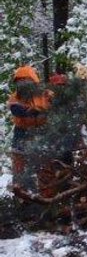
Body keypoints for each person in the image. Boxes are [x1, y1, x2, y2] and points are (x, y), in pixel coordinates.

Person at [7, 65, 52, 193]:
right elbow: (16, 108)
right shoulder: (15, 97)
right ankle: (21, 196)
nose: (23, 85)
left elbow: (57, 104)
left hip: (41, 131)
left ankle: (48, 196)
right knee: (19, 163)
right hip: (22, 132)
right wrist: (33, 112)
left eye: (26, 82)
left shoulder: (45, 94)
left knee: (45, 163)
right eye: (20, 82)